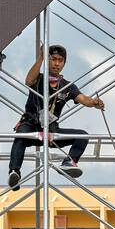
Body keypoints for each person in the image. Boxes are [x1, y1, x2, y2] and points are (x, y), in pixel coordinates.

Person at [8, 43, 105, 189]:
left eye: (60, 60)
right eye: (53, 59)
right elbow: (28, 81)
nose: (57, 63)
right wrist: (41, 58)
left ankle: (68, 162)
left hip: (52, 130)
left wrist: (94, 102)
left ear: (64, 63)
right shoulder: (38, 78)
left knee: (82, 136)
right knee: (20, 136)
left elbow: (83, 99)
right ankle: (14, 172)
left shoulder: (66, 86)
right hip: (31, 125)